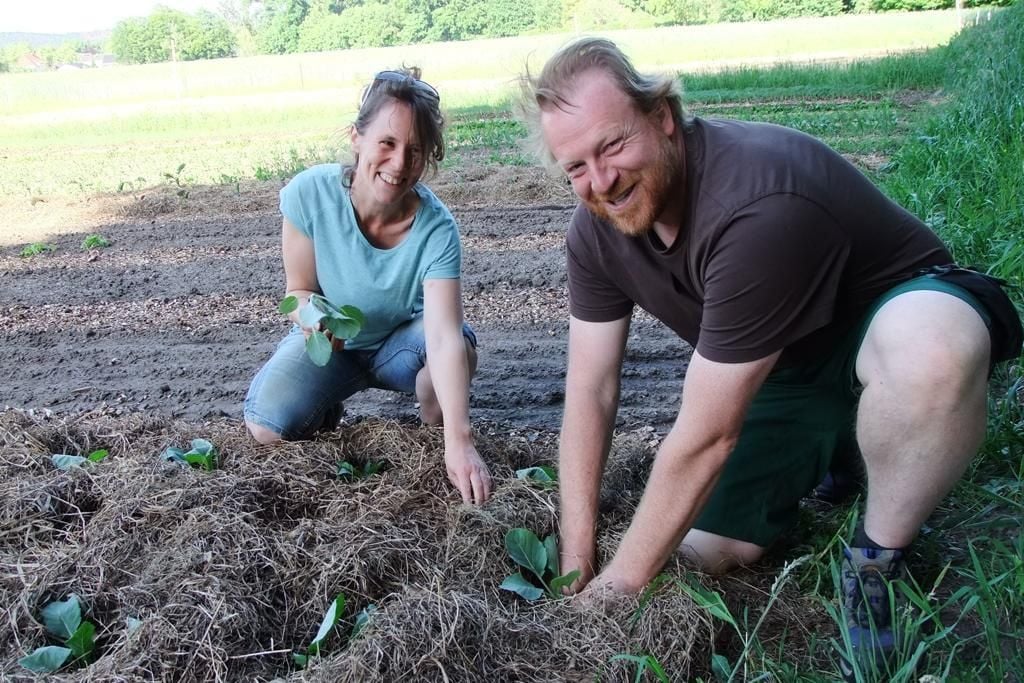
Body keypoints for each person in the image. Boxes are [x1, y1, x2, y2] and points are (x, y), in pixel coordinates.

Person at [519, 38, 1021, 677]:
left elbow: (707, 436)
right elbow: (591, 390)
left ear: (662, 116)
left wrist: (616, 591)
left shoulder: (755, 202)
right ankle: (847, 449)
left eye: (612, 145)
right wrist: (576, 557)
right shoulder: (594, 234)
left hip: (888, 317)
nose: (601, 181)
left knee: (933, 355)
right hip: (784, 366)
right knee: (702, 548)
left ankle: (877, 563)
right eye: (576, 167)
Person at [244, 67, 492, 505]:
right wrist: (314, 320)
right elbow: (297, 290)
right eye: (388, 143)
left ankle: (435, 437)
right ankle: (328, 404)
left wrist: (461, 440)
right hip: (335, 345)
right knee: (266, 426)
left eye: (415, 151)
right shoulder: (309, 194)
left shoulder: (437, 229)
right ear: (357, 137)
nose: (399, 164)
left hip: (400, 346)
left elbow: (442, 335)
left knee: (454, 353)